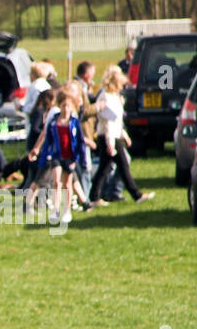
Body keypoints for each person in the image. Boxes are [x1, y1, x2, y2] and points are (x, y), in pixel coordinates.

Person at [87, 65, 154, 207]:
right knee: (123, 165)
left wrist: (124, 135)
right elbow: (108, 122)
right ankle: (137, 195)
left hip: (114, 136)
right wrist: (110, 143)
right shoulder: (106, 96)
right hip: (108, 137)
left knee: (104, 169)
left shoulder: (115, 96)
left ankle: (94, 197)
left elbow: (117, 120)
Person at [30, 90, 89, 225]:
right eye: (63, 106)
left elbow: (80, 141)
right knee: (57, 181)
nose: (65, 109)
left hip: (69, 156)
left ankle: (66, 210)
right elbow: (48, 141)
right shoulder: (54, 122)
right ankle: (56, 209)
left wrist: (80, 159)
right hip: (56, 155)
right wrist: (44, 155)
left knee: (67, 183)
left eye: (68, 106)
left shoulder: (74, 122)